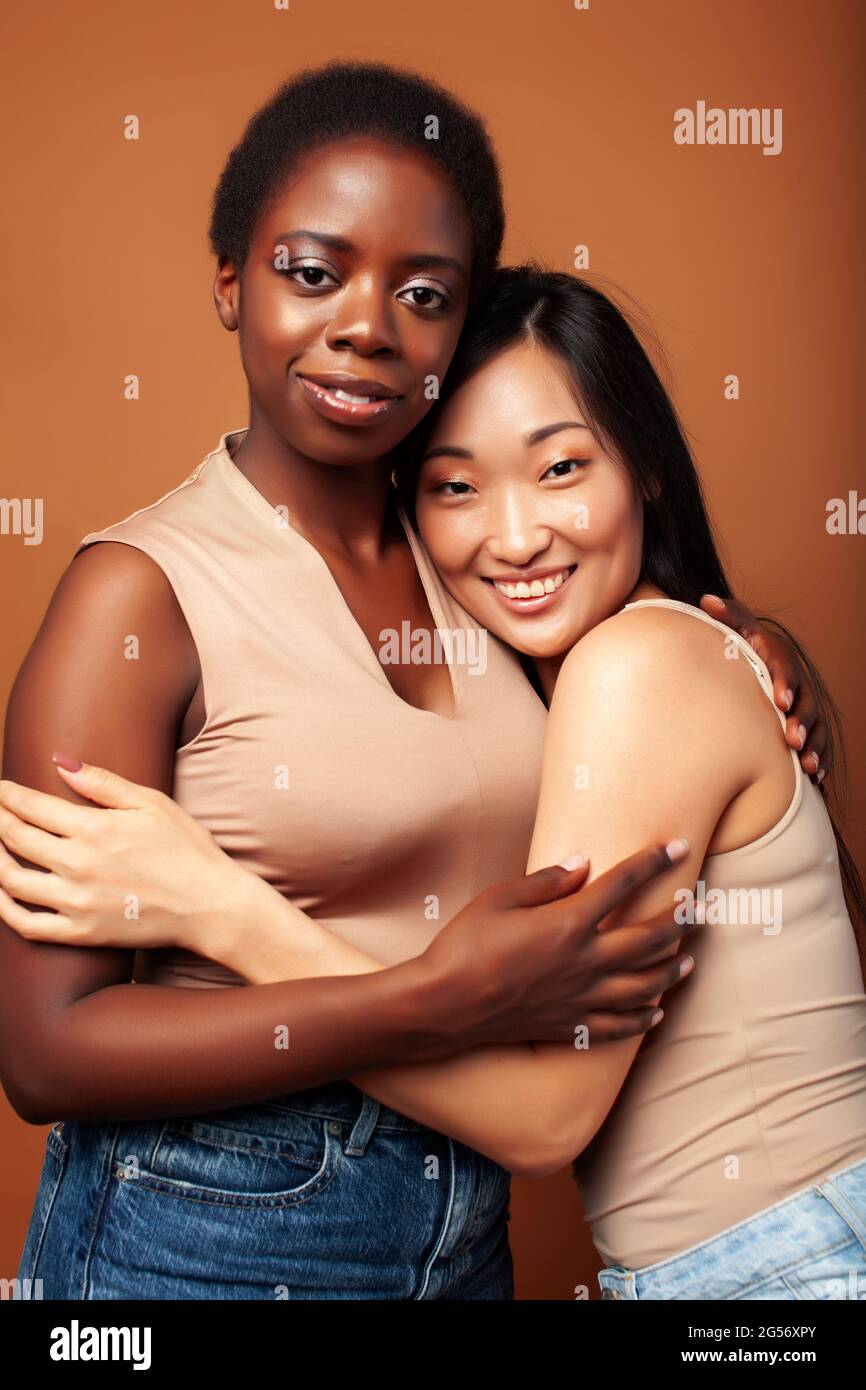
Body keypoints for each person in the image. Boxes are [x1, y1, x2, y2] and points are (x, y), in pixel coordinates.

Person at [0, 67, 829, 1300]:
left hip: (459, 1213)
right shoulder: (138, 594)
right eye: (311, 272)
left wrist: (749, 638)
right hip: (207, 1220)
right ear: (231, 279)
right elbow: (45, 1052)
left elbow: (647, 683)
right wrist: (428, 998)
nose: (366, 326)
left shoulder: (478, 552)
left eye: (424, 294)